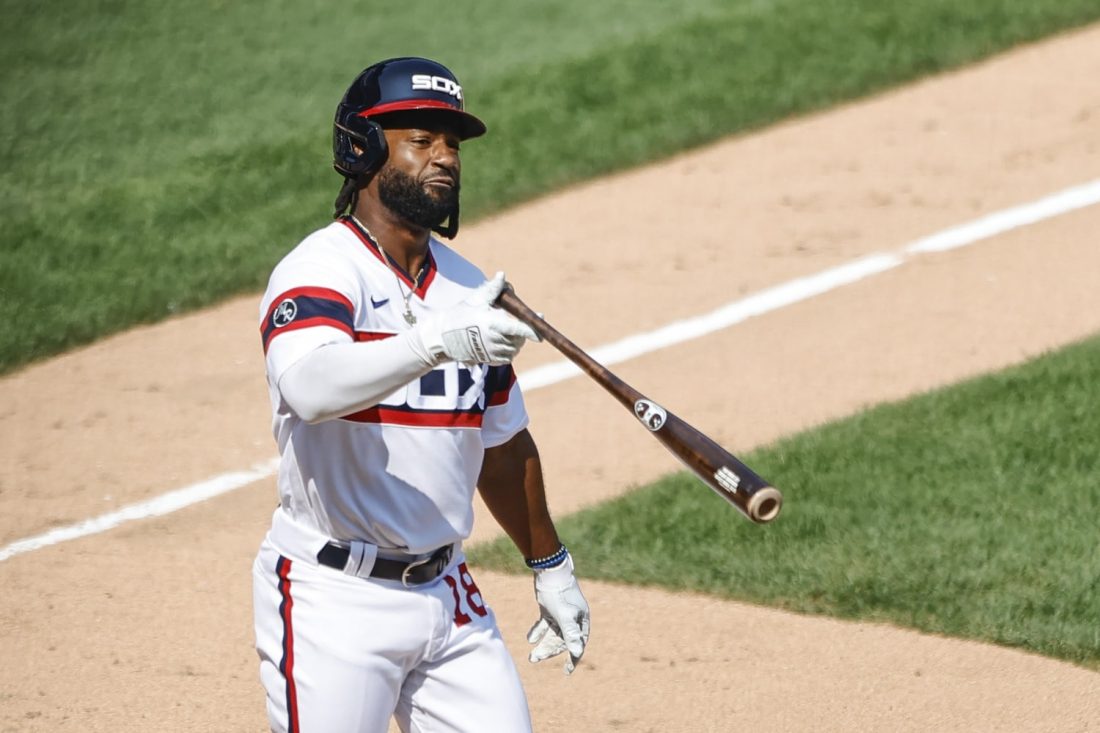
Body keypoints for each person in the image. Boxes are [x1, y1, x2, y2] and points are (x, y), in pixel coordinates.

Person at [251, 56, 590, 733]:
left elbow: (501, 441)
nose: (445, 159)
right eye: (421, 140)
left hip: (447, 594)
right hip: (335, 596)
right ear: (363, 148)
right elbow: (309, 386)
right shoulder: (321, 268)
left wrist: (551, 563)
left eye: (453, 145)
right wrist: (433, 341)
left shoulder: (467, 289)